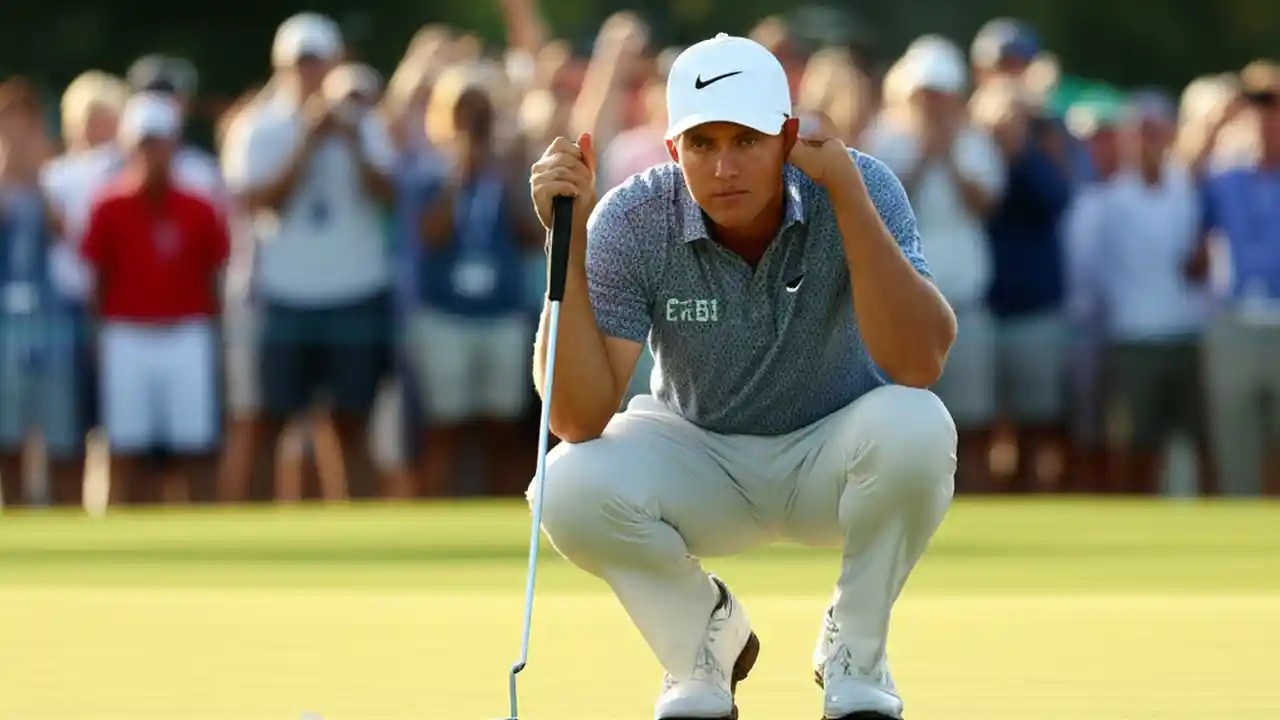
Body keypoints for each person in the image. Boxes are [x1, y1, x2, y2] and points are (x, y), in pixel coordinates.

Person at [527, 34, 957, 720]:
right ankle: (702, 644)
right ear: (674, 151)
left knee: (918, 426)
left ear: (787, 138)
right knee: (566, 483)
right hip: (700, 458)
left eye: (747, 141)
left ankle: (856, 653)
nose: (724, 167)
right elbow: (577, 417)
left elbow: (919, 363)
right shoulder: (635, 218)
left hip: (834, 453)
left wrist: (845, 195)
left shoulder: (859, 183)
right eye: (702, 144)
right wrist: (567, 241)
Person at [221, 12, 397, 499]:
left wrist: (353, 141)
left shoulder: (364, 122)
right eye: (301, 63)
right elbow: (259, 203)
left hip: (355, 288)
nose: (310, 72)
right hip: (285, 292)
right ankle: (262, 531)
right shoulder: (259, 126)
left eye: (318, 61)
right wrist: (305, 143)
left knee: (352, 422)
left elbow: (388, 195)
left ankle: (357, 527)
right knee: (271, 421)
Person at [865, 38, 1005, 493]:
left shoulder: (973, 142)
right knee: (906, 423)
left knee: (973, 420)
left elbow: (985, 204)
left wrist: (948, 154)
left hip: (965, 304)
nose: (933, 105)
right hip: (905, 314)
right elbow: (881, 210)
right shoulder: (884, 141)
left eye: (940, 95)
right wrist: (926, 153)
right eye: (925, 95)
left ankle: (975, 502)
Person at [80, 93, 229, 504]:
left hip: (186, 333)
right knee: (124, 448)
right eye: (144, 143)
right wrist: (100, 337)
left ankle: (202, 534)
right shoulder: (107, 205)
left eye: (159, 143)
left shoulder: (199, 207)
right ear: (129, 146)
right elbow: (97, 279)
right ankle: (119, 535)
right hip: (126, 335)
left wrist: (215, 336)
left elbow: (215, 275)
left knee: (195, 448)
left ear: (174, 145)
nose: (152, 154)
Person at [409, 64, 544, 497]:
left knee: (503, 425)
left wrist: (508, 179)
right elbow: (429, 234)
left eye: (480, 112)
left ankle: (503, 508)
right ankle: (439, 510)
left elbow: (532, 235)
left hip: (500, 312)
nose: (472, 123)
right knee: (445, 425)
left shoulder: (509, 170)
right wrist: (458, 177)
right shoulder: (430, 171)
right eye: (463, 112)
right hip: (445, 314)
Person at [1068, 92, 1212, 494]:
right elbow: (1088, 279)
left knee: (1198, 443)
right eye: (1137, 133)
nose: (1145, 142)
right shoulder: (1104, 202)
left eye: (1154, 132)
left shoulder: (1190, 190)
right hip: (1131, 338)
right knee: (1135, 448)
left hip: (1187, 335)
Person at [1196, 60, 1280, 496]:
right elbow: (1181, 175)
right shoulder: (1225, 178)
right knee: (1236, 452)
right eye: (1261, 110)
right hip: (1236, 323)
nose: (1269, 122)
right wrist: (1217, 118)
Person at [0, 77, 83, 506]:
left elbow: (65, 234)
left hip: (53, 326)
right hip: (6, 329)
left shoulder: (57, 179)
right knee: (8, 442)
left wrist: (37, 178)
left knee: (62, 439)